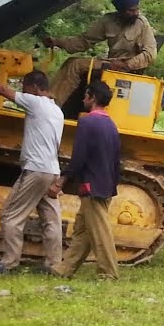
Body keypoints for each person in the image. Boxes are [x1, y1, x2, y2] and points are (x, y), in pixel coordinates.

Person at [0, 67, 65, 276]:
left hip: (35, 170)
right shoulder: (57, 110)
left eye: (25, 88)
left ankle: (9, 263)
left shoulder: (36, 103)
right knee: (51, 220)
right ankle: (54, 264)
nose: (23, 92)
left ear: (36, 88)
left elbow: (1, 89)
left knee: (10, 216)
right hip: (51, 170)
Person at [50, 80, 122, 280]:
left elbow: (79, 157)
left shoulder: (87, 122)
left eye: (86, 95)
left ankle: (108, 273)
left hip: (92, 184)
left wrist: (63, 179)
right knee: (82, 230)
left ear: (93, 98)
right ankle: (64, 269)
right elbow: (117, 160)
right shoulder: (111, 125)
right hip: (106, 183)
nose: (83, 99)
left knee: (100, 231)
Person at [43, 0, 157, 108]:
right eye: (131, 10)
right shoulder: (108, 21)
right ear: (121, 11)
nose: (135, 13)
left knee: (75, 65)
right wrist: (57, 42)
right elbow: (84, 41)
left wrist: (126, 64)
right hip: (111, 63)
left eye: (136, 9)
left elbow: (150, 54)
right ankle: (51, 102)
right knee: (71, 62)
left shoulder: (142, 24)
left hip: (128, 68)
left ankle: (51, 106)